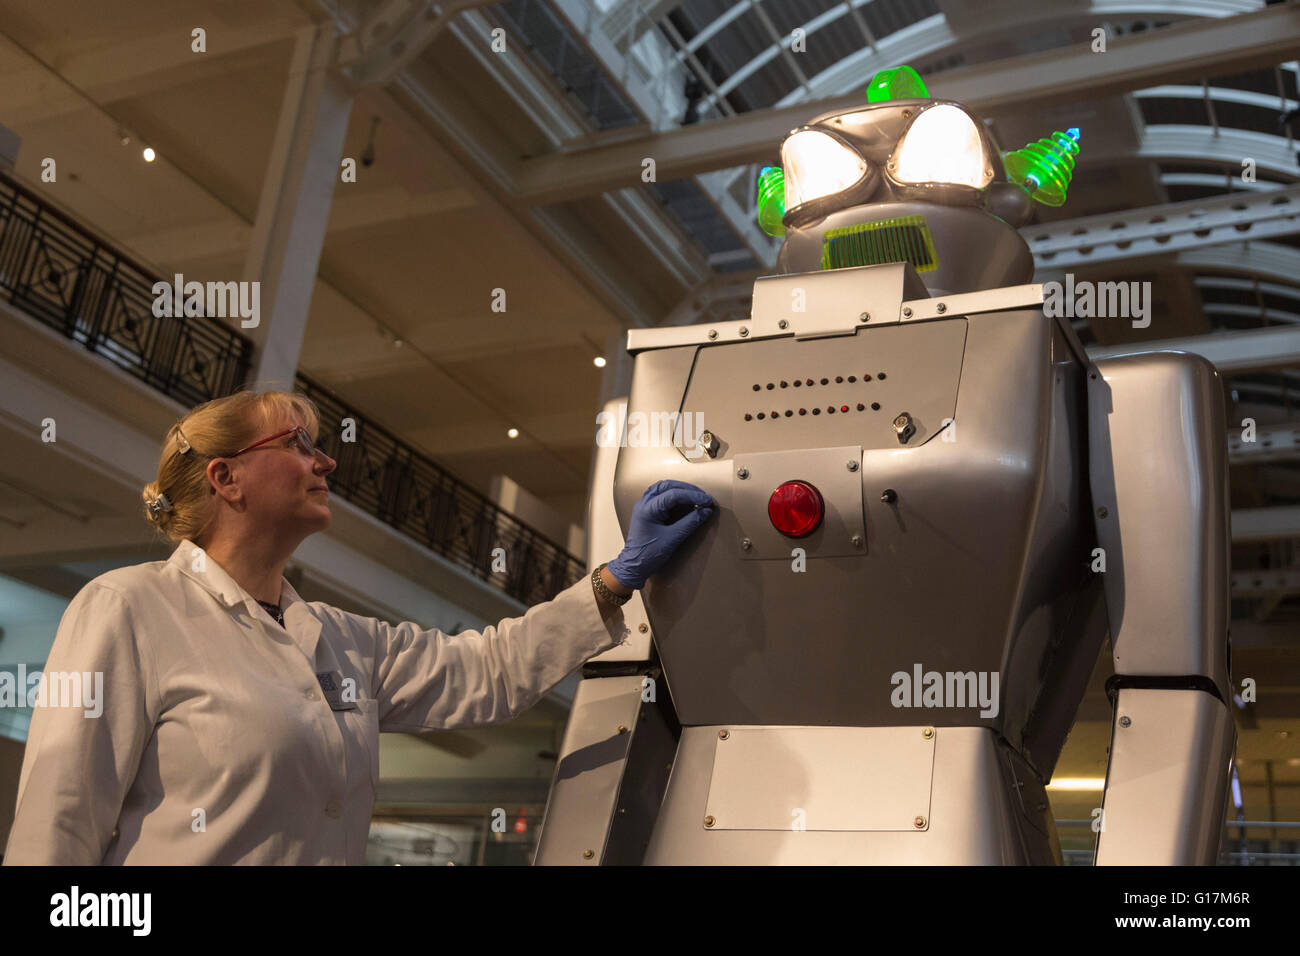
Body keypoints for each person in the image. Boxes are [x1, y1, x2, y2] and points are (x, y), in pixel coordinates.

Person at [2, 389, 713, 864]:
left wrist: (617, 577)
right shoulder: (129, 608)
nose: (326, 459)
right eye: (298, 442)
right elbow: (57, 827)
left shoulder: (342, 639)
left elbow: (487, 673)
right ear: (226, 479)